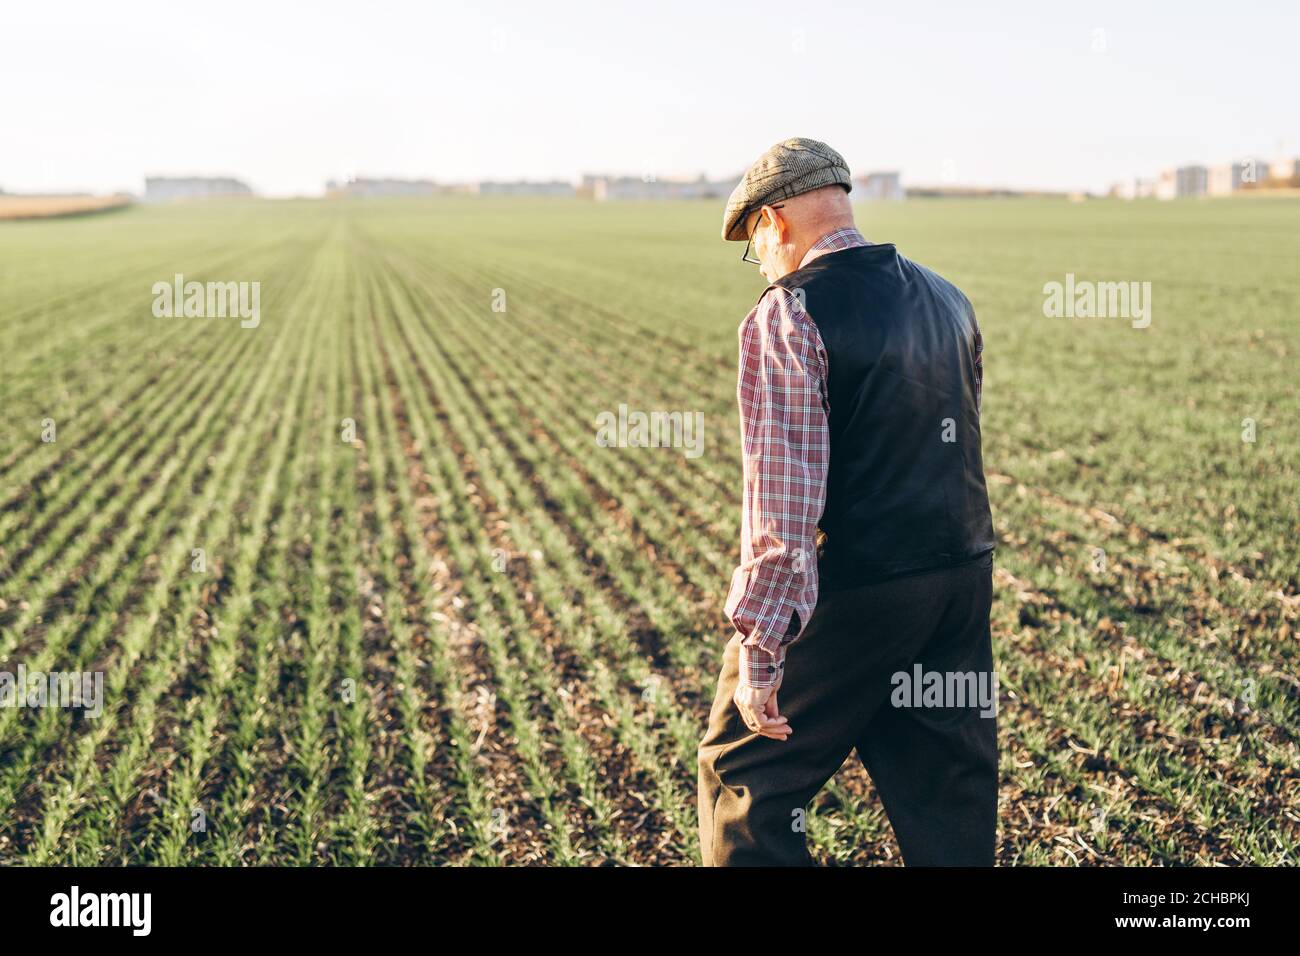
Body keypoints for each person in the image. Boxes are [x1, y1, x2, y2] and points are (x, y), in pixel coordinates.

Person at [696, 137, 999, 866]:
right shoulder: (946, 297)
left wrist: (762, 650)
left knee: (744, 776)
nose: (762, 265)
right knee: (946, 794)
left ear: (773, 222)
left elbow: (783, 511)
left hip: (855, 589)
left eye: (755, 247)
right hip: (959, 577)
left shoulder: (789, 311)